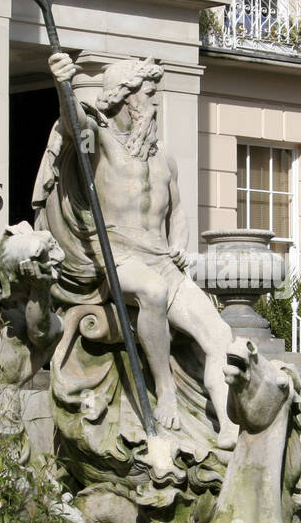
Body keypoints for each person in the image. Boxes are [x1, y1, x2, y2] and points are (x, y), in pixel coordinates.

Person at [36, 52, 239, 448]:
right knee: (152, 291)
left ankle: (228, 426)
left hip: (163, 261)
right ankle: (164, 388)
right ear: (126, 97)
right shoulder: (101, 144)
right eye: (150, 92)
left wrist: (180, 247)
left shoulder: (163, 156)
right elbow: (74, 123)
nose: (156, 101)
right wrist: (63, 85)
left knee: (220, 335)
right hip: (119, 258)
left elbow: (177, 212)